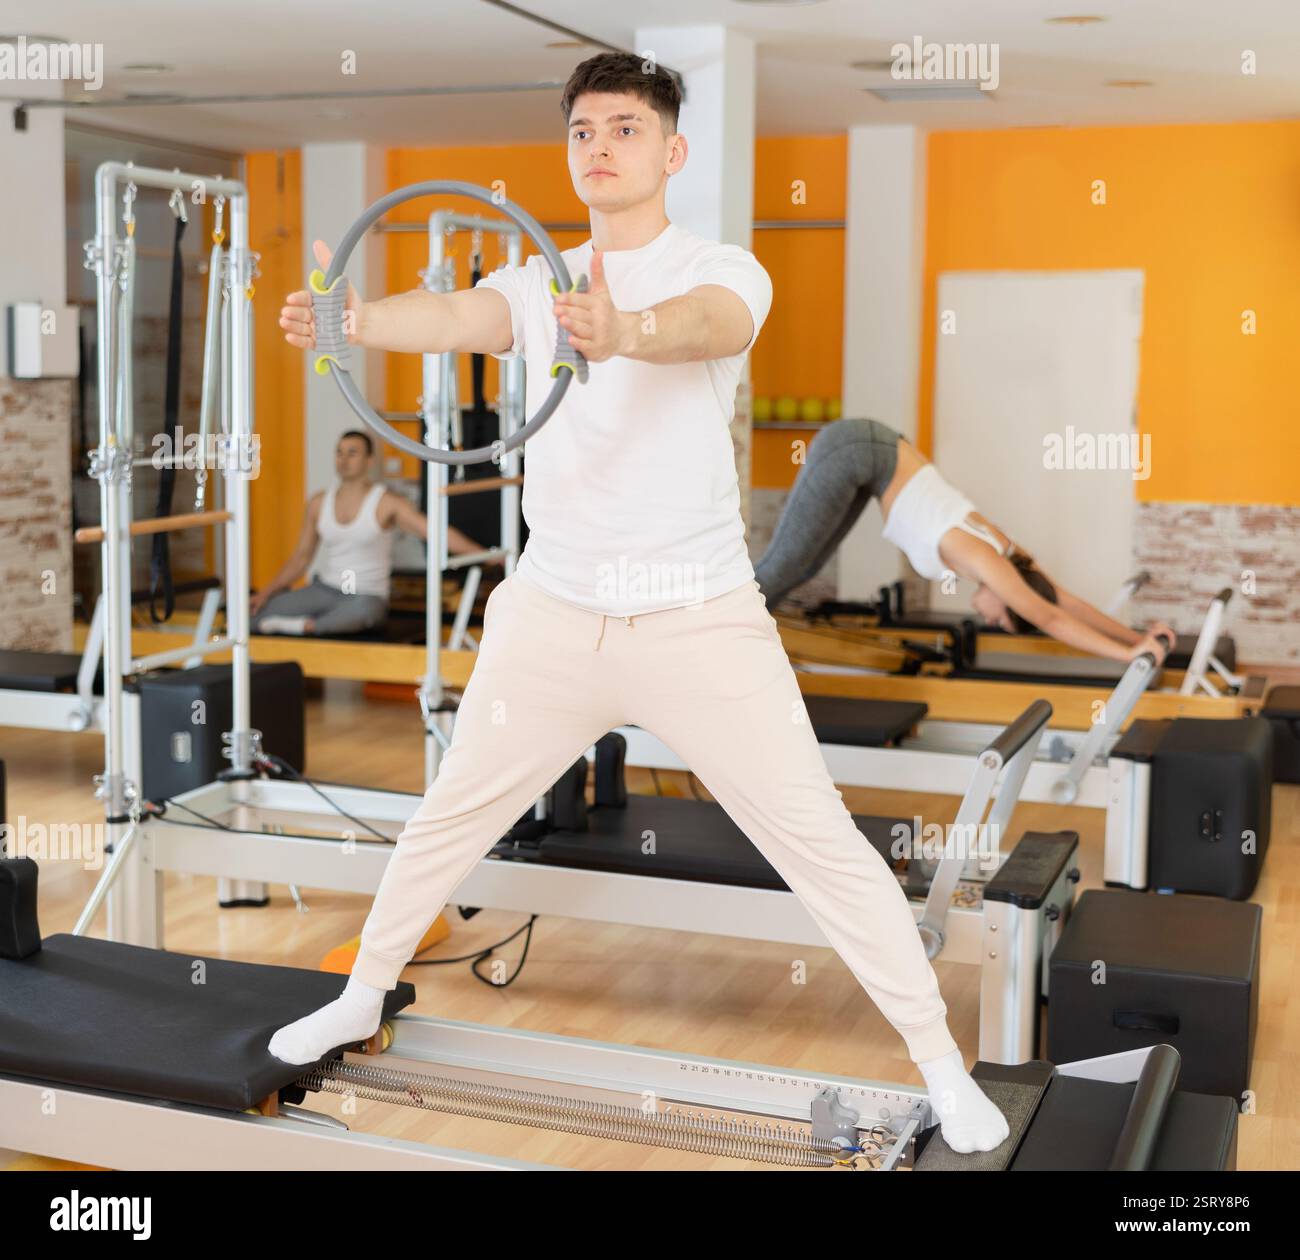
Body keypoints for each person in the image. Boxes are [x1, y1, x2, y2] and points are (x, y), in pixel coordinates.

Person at [269, 52, 1011, 1155]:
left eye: (622, 128)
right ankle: (362, 993)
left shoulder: (721, 267)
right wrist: (354, 322)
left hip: (697, 615)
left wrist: (624, 334)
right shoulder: (536, 278)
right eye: (582, 132)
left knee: (820, 844)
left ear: (669, 151)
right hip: (555, 611)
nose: (599, 147)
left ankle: (941, 1068)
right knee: (449, 811)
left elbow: (712, 325)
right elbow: (456, 316)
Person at [755, 417, 1174, 663]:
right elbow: (1051, 617)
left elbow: (1061, 600)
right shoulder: (985, 560)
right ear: (1010, 597)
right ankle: (714, 647)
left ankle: (731, 649)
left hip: (870, 457)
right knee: (783, 568)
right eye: (1002, 619)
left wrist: (1136, 638)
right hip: (858, 451)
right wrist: (1127, 656)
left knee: (803, 568)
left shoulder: (1009, 555)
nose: (990, 621)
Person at [250, 429, 486, 636]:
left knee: (363, 613)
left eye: (352, 453)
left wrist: (484, 554)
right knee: (256, 617)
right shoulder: (318, 502)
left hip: (366, 596)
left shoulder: (387, 503)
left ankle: (303, 627)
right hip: (326, 590)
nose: (343, 459)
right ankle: (304, 623)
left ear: (369, 460)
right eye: (339, 452)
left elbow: (436, 533)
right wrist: (265, 594)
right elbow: (301, 557)